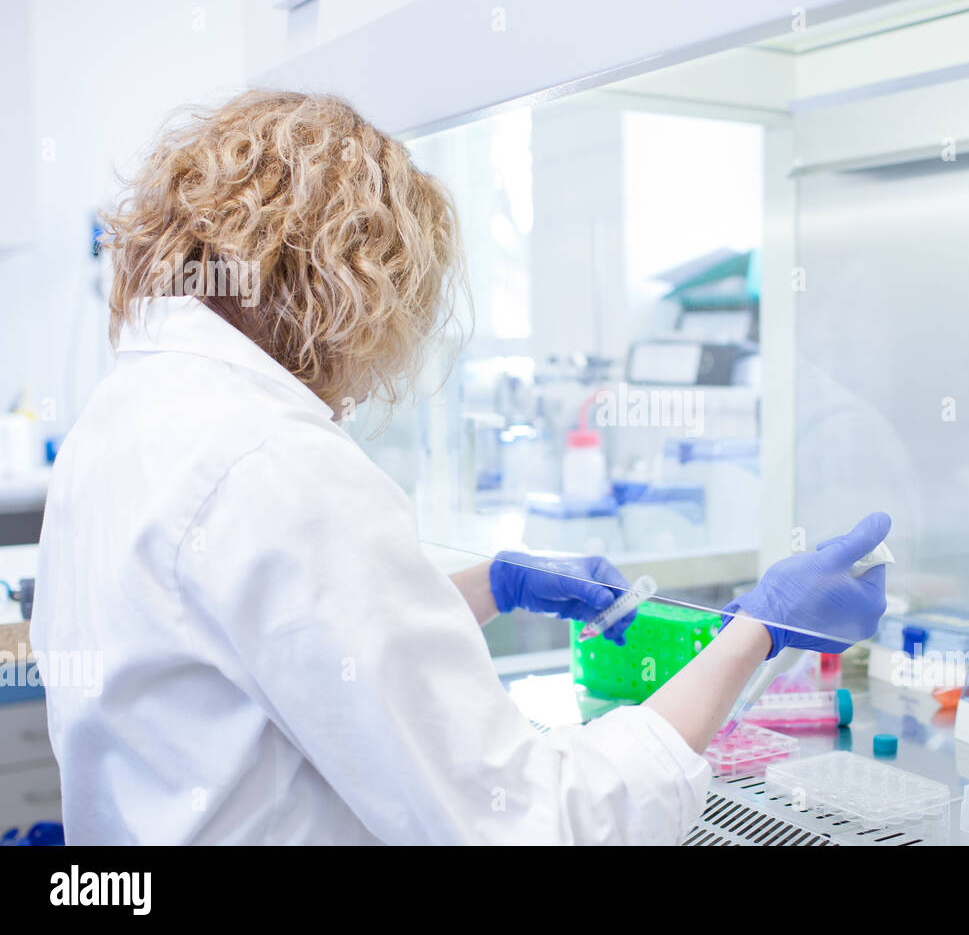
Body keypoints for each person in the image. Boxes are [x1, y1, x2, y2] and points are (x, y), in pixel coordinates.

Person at [31, 91, 890, 844]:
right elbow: (533, 823)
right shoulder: (276, 462)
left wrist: (489, 585)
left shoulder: (138, 406)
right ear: (353, 280)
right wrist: (758, 633)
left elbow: (277, 655)